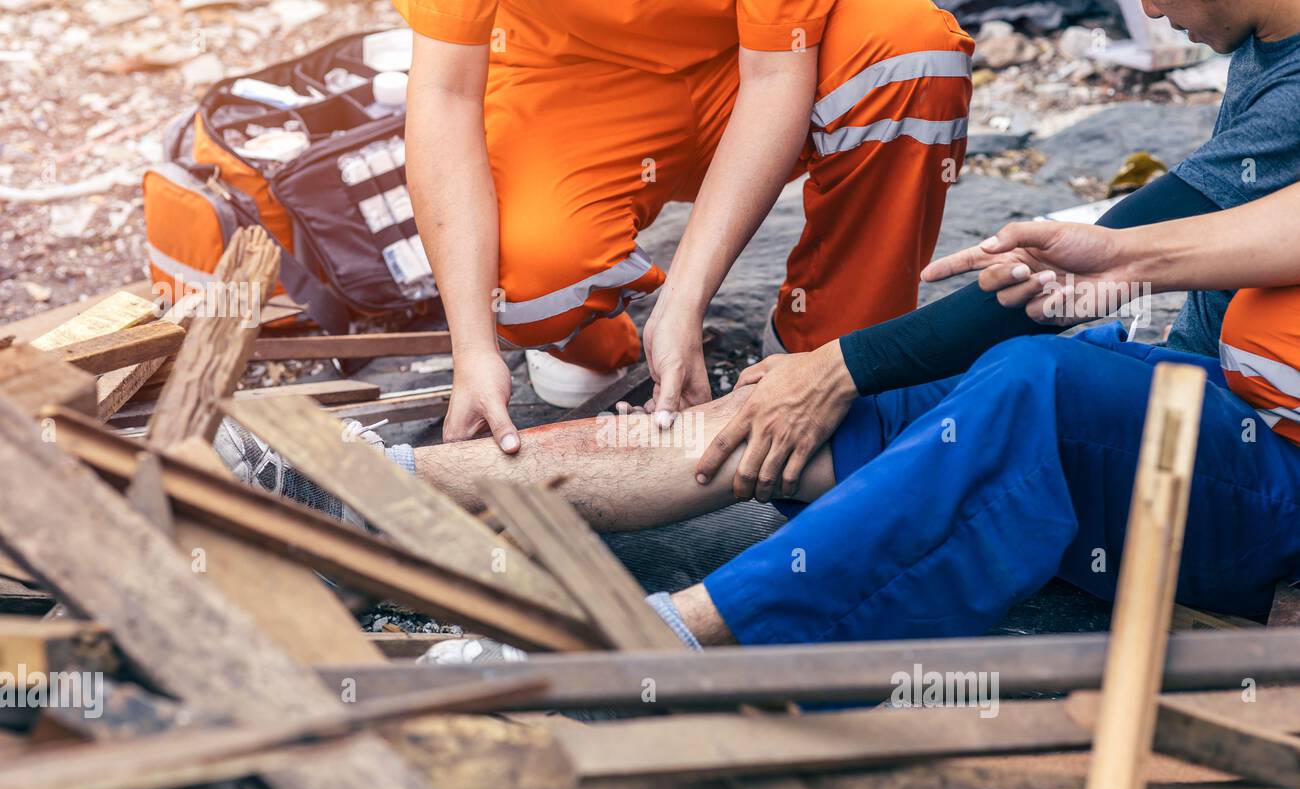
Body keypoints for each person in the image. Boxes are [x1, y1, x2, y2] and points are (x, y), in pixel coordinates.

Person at [217, 178, 1300, 650]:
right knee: (930, 398)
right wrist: (836, 376)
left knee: (1035, 385)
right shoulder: (1264, 67)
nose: (1143, 11)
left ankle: (678, 636)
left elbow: (1145, 238)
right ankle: (374, 494)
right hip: (1215, 393)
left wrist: (842, 357)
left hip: (1275, 469)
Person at [696, 0, 1300, 503]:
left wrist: (839, 368)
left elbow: (1113, 254)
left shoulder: (1289, 99)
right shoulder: (1265, 36)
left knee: (1000, 391)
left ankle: (689, 623)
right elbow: (1115, 258)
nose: (1146, 9)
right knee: (848, 420)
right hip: (1183, 377)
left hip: (1233, 427)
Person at [398, 0, 973, 450]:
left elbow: (776, 75)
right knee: (520, 284)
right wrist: (472, 352)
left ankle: (822, 342)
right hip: (567, 78)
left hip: (753, 62)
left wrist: (684, 305)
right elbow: (444, 94)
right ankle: (594, 339)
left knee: (913, 54)